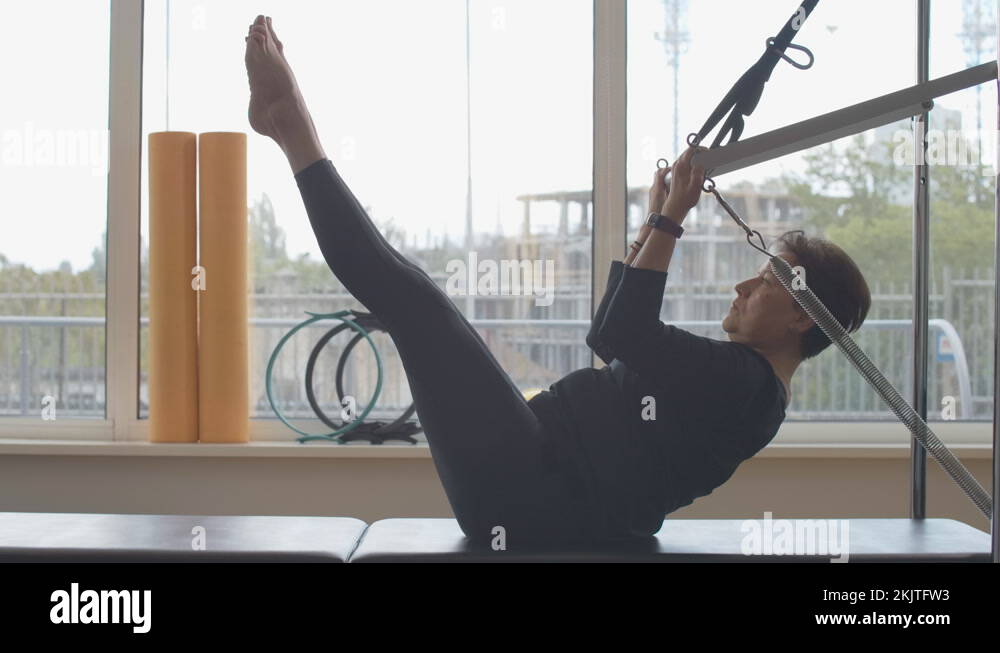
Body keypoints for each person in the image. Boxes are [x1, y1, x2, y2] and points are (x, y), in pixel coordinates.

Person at [244, 15, 871, 548]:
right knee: (414, 297)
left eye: (764, 282)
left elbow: (624, 330)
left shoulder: (748, 387)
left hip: (529, 492)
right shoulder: (741, 382)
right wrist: (653, 224)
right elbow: (609, 333)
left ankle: (291, 125)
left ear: (801, 318)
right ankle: (288, 126)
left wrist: (672, 221)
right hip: (529, 469)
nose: (741, 289)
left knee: (413, 301)